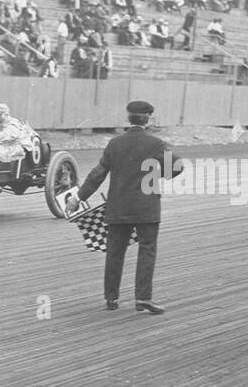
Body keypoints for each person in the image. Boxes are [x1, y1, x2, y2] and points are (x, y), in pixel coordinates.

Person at [65, 100, 184, 314]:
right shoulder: (156, 144)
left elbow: (97, 175)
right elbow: (177, 167)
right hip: (147, 207)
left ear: (128, 118)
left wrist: (78, 197)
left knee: (114, 252)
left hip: (117, 207)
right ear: (148, 119)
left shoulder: (115, 143)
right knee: (147, 251)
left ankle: (111, 299)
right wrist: (158, 174)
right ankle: (143, 298)